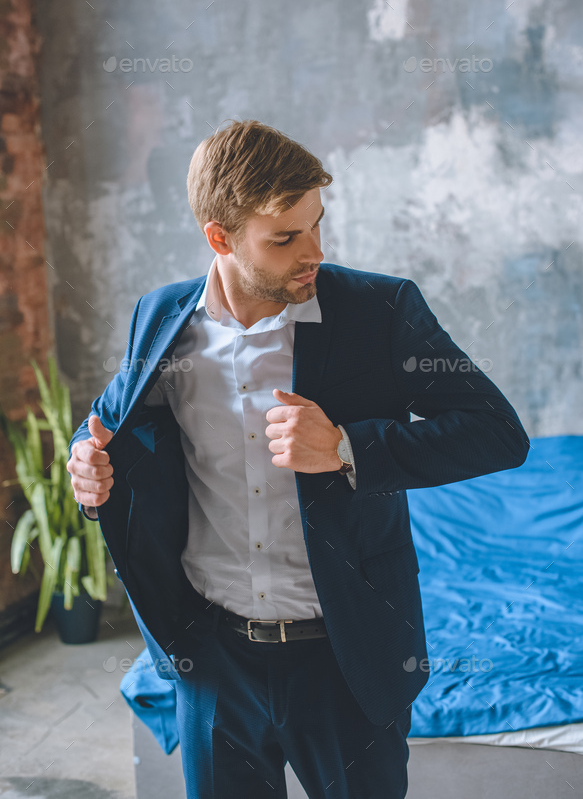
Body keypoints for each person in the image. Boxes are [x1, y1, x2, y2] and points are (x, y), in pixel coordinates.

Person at [67, 119, 529, 798]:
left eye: (316, 225)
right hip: (213, 662)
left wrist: (346, 447)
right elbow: (107, 424)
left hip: (346, 660)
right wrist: (87, 464)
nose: (313, 250)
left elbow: (497, 433)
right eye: (285, 238)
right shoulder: (160, 319)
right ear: (219, 237)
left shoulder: (380, 310)